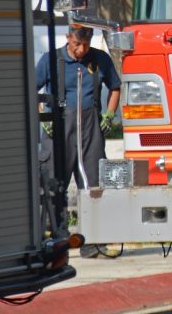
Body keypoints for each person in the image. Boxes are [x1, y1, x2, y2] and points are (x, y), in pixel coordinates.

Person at [36, 25, 121, 257]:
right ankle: (57, 242)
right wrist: (43, 117)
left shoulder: (100, 59)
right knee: (54, 186)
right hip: (58, 128)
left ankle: (92, 243)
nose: (81, 49)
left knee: (94, 186)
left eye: (85, 44)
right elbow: (32, 89)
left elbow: (115, 87)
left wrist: (109, 115)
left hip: (91, 128)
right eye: (77, 44)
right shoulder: (50, 60)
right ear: (68, 38)